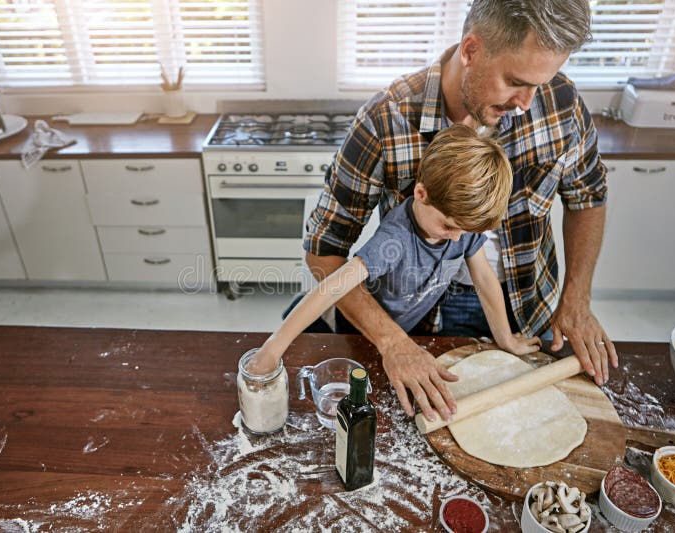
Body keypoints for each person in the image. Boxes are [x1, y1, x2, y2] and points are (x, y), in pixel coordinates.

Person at [304, 0, 619, 424]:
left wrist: (577, 297)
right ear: (471, 50)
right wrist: (392, 342)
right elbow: (324, 253)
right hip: (415, 317)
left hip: (525, 306)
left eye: (540, 84)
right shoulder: (387, 120)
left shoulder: (561, 104)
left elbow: (588, 197)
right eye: (515, 82)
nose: (527, 102)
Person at [249, 125, 540, 376]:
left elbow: (485, 280)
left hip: (402, 332)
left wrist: (505, 339)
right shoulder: (396, 240)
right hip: (350, 333)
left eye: (465, 231)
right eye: (449, 227)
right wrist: (273, 348)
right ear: (421, 194)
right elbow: (332, 287)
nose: (456, 239)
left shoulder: (459, 226)